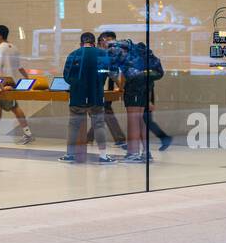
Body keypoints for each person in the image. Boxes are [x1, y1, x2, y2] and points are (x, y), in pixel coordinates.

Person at [61, 32, 114, 163]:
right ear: (94, 43)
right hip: (95, 95)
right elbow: (105, 73)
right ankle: (103, 155)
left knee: (73, 125)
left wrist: (77, 84)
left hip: (77, 96)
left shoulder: (74, 54)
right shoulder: (102, 54)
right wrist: (98, 84)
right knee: (99, 125)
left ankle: (70, 155)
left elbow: (67, 76)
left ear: (81, 43)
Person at [115, 39, 170, 160]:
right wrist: (149, 99)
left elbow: (123, 76)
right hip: (144, 91)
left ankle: (133, 153)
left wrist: (121, 87)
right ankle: (146, 152)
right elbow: (150, 82)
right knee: (141, 121)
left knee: (133, 120)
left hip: (134, 90)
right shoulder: (143, 57)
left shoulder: (129, 58)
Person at [0, 25, 34, 144]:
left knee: (13, 108)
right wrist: (28, 79)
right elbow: (20, 67)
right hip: (11, 83)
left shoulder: (0, 48)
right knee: (0, 108)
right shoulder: (14, 47)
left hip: (3, 84)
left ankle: (27, 133)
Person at [96, 31, 129, 150]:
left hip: (105, 90)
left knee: (102, 113)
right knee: (103, 113)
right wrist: (120, 86)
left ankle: (87, 138)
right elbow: (111, 73)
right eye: (108, 41)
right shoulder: (100, 54)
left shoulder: (110, 54)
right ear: (101, 42)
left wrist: (120, 86)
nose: (111, 44)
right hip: (98, 89)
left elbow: (114, 73)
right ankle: (119, 139)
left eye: (112, 41)